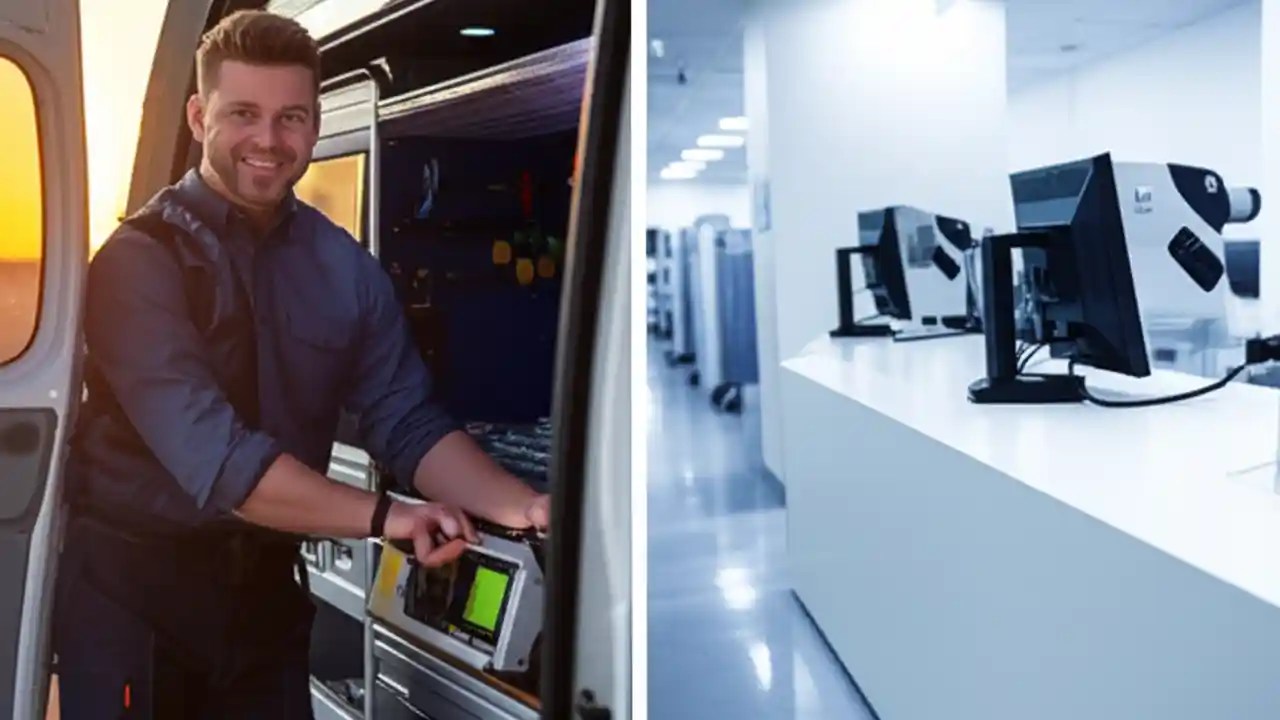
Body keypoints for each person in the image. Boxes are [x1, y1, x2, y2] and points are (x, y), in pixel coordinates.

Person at [51, 10, 549, 719]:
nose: (269, 139)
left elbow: (406, 421)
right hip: (133, 600)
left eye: (292, 118)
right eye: (243, 114)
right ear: (198, 116)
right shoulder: (137, 264)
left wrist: (520, 505)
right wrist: (391, 516)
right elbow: (222, 463)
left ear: (314, 125)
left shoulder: (343, 268)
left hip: (263, 599)